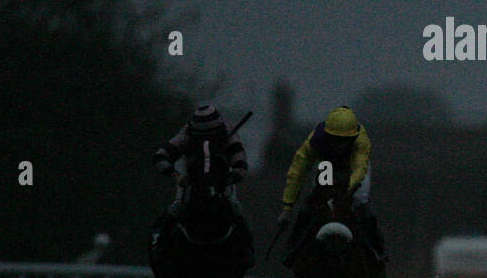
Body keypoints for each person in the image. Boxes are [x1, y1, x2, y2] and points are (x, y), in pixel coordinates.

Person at [277, 106, 384, 267]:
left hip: (354, 168)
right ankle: (293, 248)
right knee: (313, 203)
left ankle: (377, 252)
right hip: (328, 163)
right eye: (335, 139)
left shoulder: (361, 143)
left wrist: (345, 194)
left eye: (344, 140)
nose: (339, 144)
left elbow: (359, 173)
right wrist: (287, 208)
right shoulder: (315, 141)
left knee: (362, 204)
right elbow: (297, 173)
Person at [151, 103, 253, 263]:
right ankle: (160, 244)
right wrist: (177, 176)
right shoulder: (185, 134)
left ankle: (247, 249)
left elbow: (240, 164)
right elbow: (160, 157)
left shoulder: (228, 133)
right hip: (190, 176)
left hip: (222, 178)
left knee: (233, 204)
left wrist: (230, 178)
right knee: (179, 204)